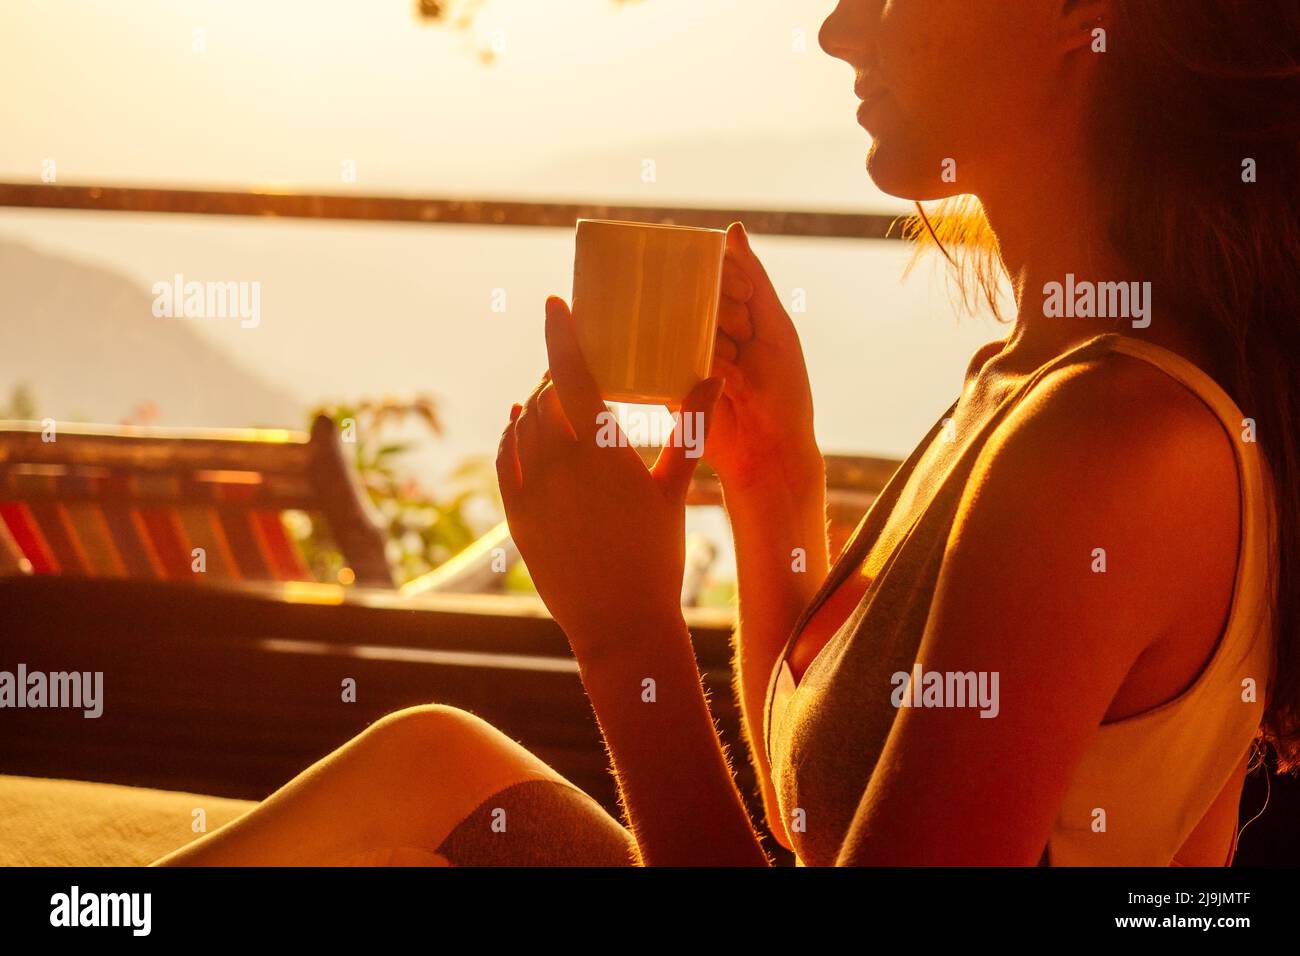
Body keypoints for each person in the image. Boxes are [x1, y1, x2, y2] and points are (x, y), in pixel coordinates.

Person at [156, 0, 1299, 867]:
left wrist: (625, 635)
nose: (839, 30)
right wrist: (772, 483)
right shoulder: (1028, 383)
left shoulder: (1107, 448)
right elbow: (817, 825)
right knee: (430, 758)